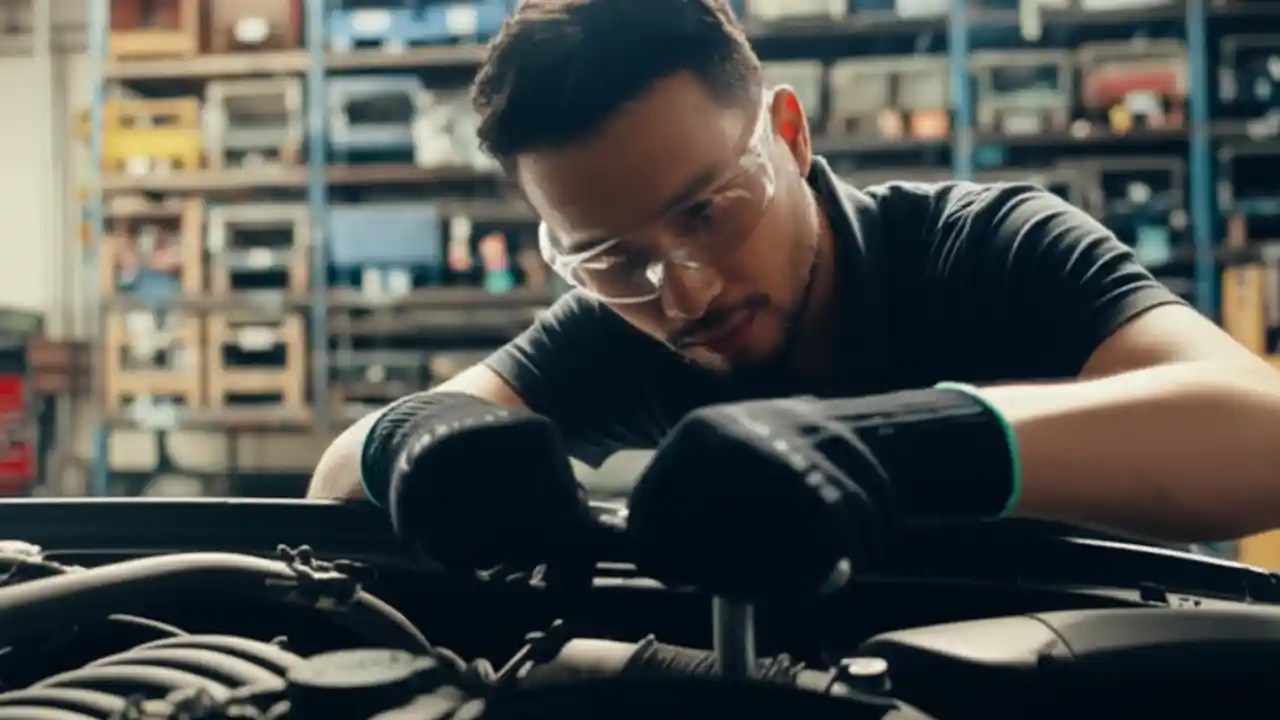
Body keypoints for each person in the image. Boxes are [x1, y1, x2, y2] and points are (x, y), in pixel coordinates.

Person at [311, 0, 1280, 560]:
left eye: (706, 211)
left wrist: (892, 451)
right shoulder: (619, 321)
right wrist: (419, 444)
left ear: (787, 133)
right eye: (608, 259)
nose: (681, 295)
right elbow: (338, 475)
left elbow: (1260, 430)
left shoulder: (985, 250)